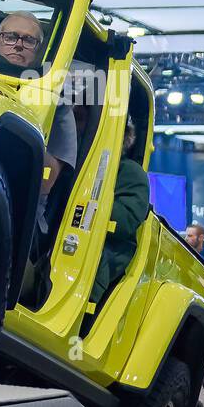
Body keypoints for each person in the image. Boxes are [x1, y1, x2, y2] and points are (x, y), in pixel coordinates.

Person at [0, 12, 77, 230]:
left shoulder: (55, 101)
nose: (18, 45)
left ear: (40, 53)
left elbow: (47, 180)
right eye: (10, 37)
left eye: (29, 40)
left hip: (18, 219)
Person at [90, 118, 150, 307]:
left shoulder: (131, 173)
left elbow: (126, 221)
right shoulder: (76, 162)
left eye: (84, 119)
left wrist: (91, 202)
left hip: (96, 261)